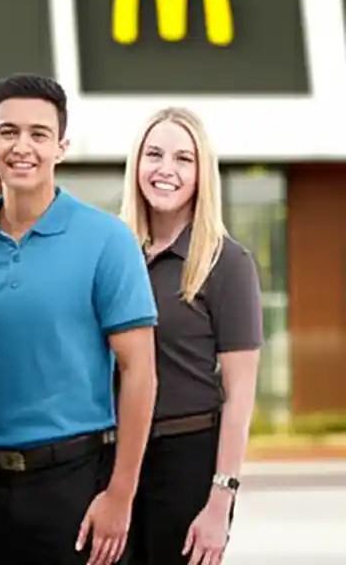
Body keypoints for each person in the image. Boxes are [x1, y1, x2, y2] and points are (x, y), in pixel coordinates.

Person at [0, 74, 159, 565]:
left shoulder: (107, 240)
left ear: (61, 147)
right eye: (8, 131)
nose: (22, 146)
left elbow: (140, 373)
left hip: (76, 481)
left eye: (39, 134)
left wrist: (120, 495)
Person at [118, 107, 263, 565]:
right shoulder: (115, 255)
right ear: (136, 165)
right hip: (114, 458)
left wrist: (221, 500)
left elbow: (240, 394)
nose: (166, 170)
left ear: (203, 173)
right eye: (154, 154)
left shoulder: (227, 263)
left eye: (183, 158)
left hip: (187, 463)